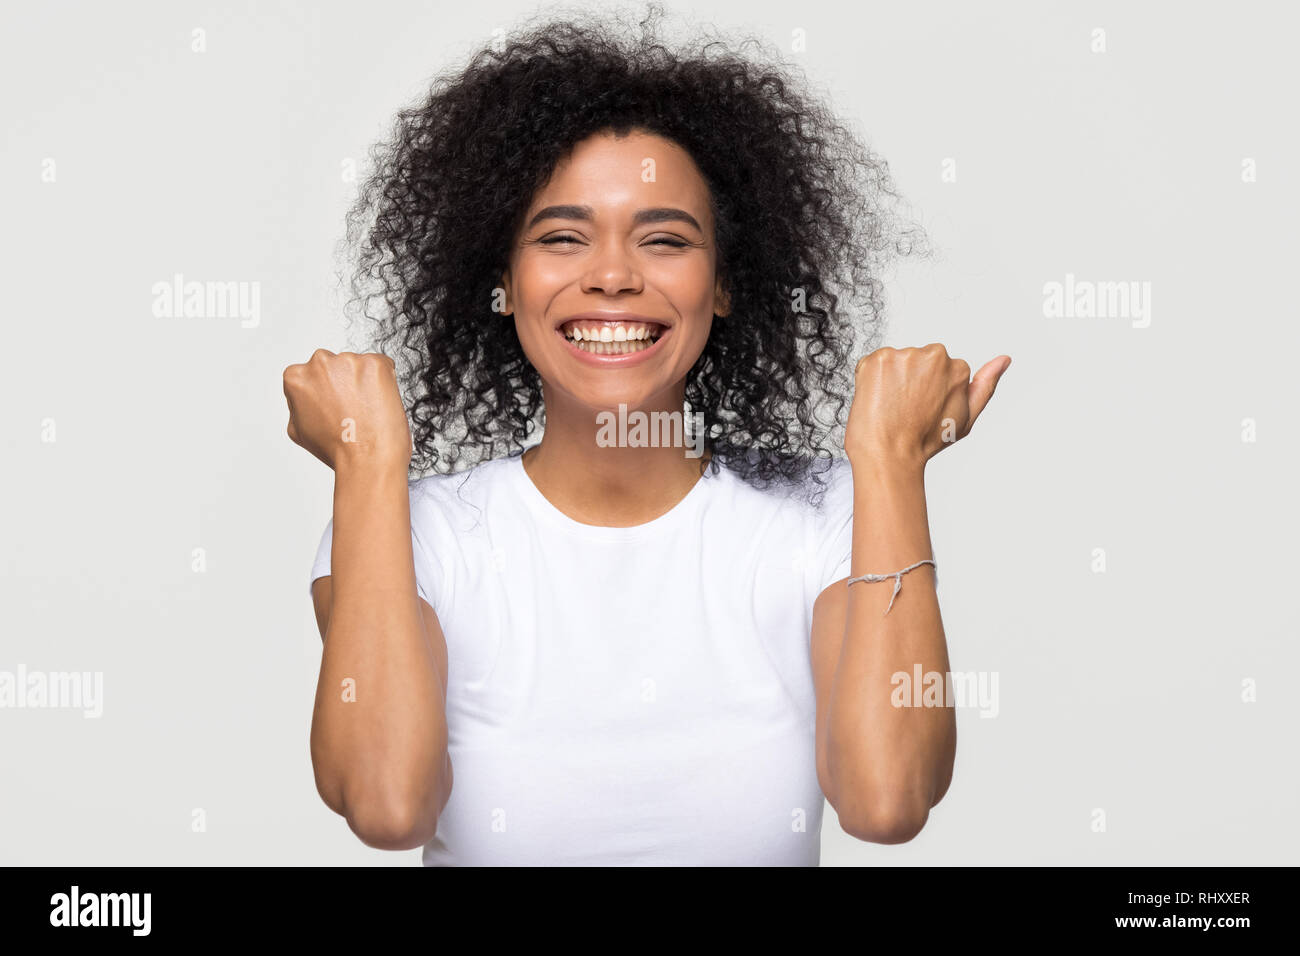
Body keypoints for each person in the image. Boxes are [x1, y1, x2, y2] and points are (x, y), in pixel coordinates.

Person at [282, 6, 1009, 865]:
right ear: (504, 284)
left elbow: (887, 801)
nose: (615, 276)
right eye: (562, 238)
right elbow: (386, 806)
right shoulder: (415, 538)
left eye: (665, 239)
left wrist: (890, 464)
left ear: (726, 285)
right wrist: (369, 463)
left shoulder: (825, 519)